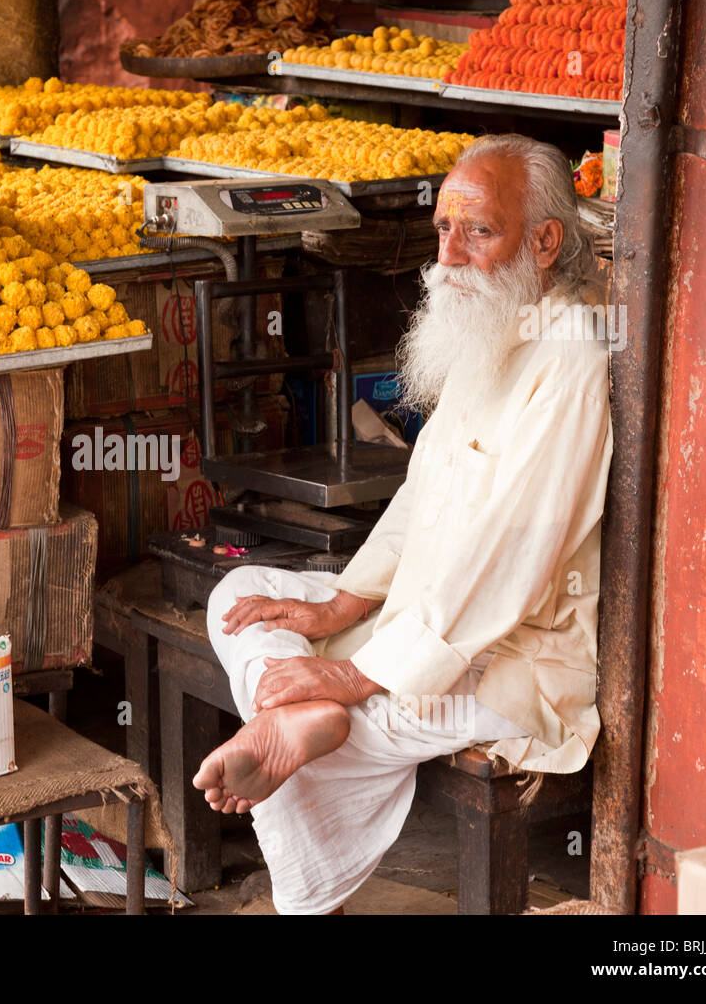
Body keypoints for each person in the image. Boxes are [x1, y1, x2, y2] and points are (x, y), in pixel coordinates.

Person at [193, 133, 614, 914]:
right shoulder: (494, 324)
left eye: (478, 231)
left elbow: (508, 560)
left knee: (347, 729)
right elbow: (423, 494)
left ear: (546, 241)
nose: (449, 255)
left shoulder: (574, 358)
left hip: (514, 660)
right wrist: (341, 606)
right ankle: (300, 718)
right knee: (240, 590)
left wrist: (356, 673)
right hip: (422, 619)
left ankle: (309, 848)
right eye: (444, 230)